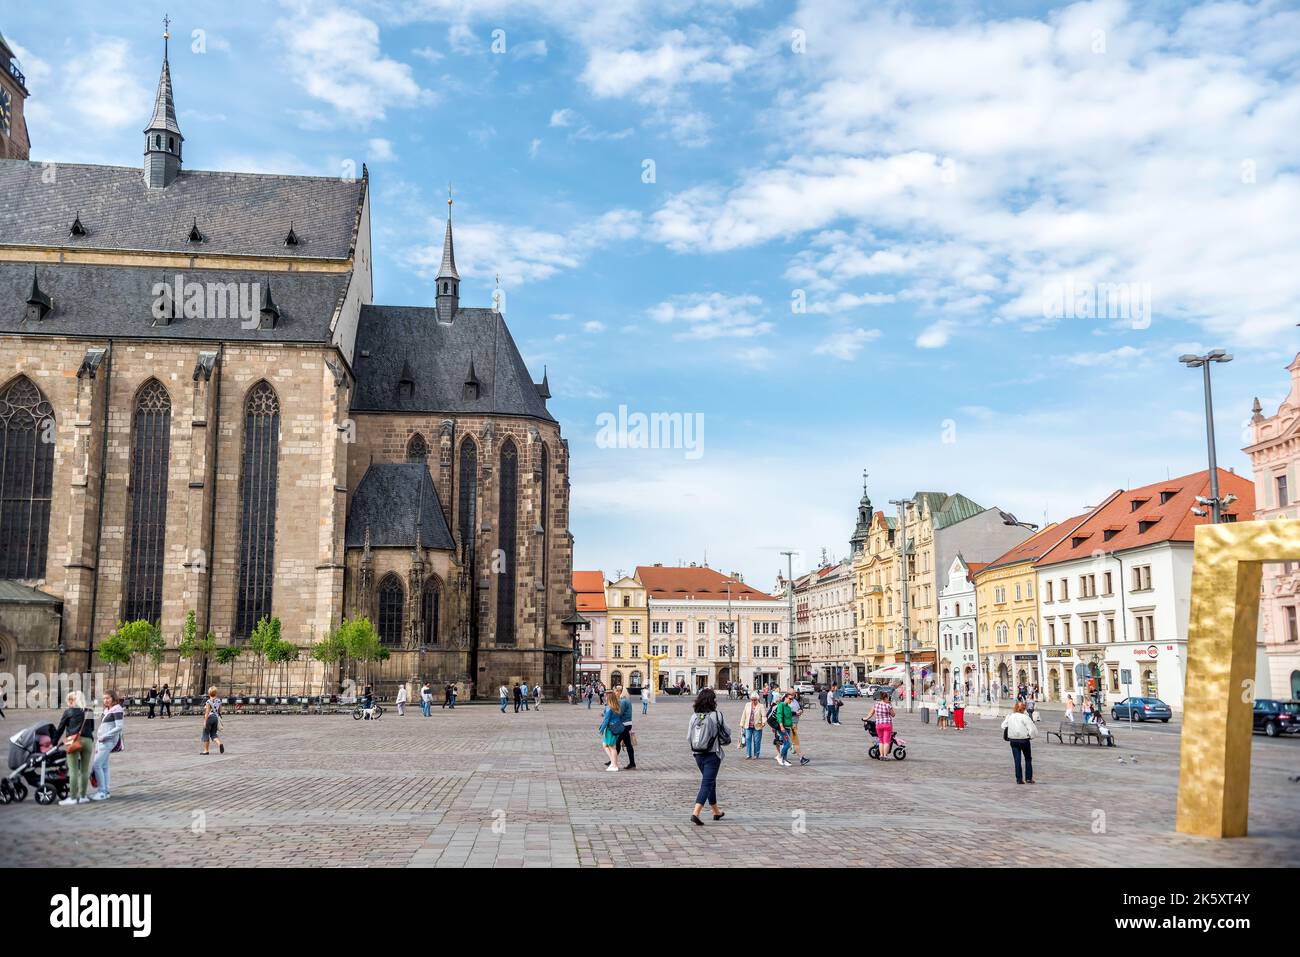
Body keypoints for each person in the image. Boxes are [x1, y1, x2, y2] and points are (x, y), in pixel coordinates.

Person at [688, 688, 729, 825]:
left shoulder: (694, 716)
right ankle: (696, 813)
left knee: (711, 781)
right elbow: (727, 731)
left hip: (697, 754)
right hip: (712, 754)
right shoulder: (716, 715)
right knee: (707, 783)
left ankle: (716, 812)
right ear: (713, 701)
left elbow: (689, 737)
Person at [53, 690, 93, 805]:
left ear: (74, 700)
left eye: (70, 700)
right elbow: (92, 728)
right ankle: (83, 796)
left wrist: (54, 743)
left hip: (74, 742)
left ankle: (73, 798)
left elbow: (60, 729)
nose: (69, 702)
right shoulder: (89, 711)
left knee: (73, 770)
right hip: (88, 741)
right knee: (85, 771)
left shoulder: (68, 712)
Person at [91, 691, 123, 801]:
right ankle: (106, 790)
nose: (105, 700)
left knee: (97, 765)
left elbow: (119, 727)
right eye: (104, 698)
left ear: (113, 698)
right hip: (102, 741)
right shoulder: (107, 710)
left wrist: (105, 735)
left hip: (107, 741)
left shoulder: (117, 709)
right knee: (104, 766)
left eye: (108, 698)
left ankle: (102, 791)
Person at [1001, 700, 1037, 783]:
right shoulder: (1025, 717)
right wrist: (1031, 736)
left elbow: (1003, 725)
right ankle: (1028, 778)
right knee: (1028, 758)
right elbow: (1031, 729)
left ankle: (1019, 779)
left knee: (1017, 760)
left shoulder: (1010, 716)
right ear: (1023, 709)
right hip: (1024, 740)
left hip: (1013, 740)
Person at [611, 685, 636, 769]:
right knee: (628, 744)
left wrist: (610, 713)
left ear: (620, 692)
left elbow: (619, 713)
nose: (615, 693)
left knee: (617, 742)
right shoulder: (627, 700)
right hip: (628, 724)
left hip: (624, 724)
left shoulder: (623, 701)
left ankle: (612, 762)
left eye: (616, 691)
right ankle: (632, 763)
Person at [597, 691, 622, 771]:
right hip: (616, 727)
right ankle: (613, 762)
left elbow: (606, 720)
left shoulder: (609, 708)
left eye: (606, 696)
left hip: (611, 728)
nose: (605, 697)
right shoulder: (616, 706)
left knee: (612, 747)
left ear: (609, 698)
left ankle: (614, 765)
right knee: (605, 745)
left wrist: (601, 730)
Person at [739, 691, 765, 759]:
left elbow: (764, 716)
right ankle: (748, 754)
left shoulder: (761, 706)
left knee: (757, 741)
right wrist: (741, 723)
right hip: (748, 725)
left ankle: (756, 754)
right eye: (752, 699)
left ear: (757, 699)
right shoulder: (747, 704)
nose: (753, 701)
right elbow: (744, 714)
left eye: (755, 699)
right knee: (747, 739)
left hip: (757, 726)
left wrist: (763, 722)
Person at [200, 686, 224, 756]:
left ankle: (206, 750)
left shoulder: (208, 701)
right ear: (216, 693)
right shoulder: (219, 700)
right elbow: (220, 711)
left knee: (206, 733)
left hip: (209, 718)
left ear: (209, 693)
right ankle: (219, 743)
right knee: (213, 734)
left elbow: (207, 712)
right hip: (215, 718)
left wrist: (205, 721)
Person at [788, 690, 810, 765]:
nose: (794, 696)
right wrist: (795, 713)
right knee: (795, 741)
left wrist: (800, 711)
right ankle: (801, 758)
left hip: (795, 723)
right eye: (792, 694)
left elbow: (799, 707)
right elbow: (786, 712)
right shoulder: (786, 701)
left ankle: (782, 756)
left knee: (790, 741)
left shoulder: (795, 701)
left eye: (794, 694)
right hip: (790, 724)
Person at [872, 690, 895, 760]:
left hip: (878, 724)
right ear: (885, 698)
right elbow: (893, 714)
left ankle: (881, 755)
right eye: (888, 698)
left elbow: (871, 713)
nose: (888, 699)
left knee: (881, 741)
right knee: (886, 741)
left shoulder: (876, 705)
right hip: (887, 724)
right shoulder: (888, 705)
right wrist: (890, 705)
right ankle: (885, 756)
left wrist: (865, 718)